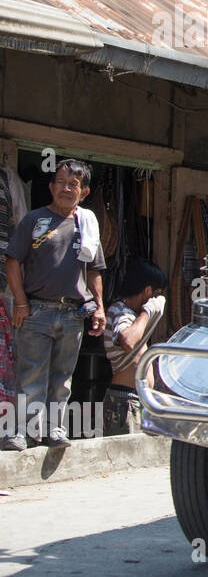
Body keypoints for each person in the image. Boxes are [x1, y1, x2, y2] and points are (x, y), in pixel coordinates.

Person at [2, 160, 106, 451]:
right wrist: (21, 303)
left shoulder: (87, 225)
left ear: (83, 192)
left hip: (72, 314)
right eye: (61, 182)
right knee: (31, 376)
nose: (66, 188)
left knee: (62, 379)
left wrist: (99, 307)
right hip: (36, 311)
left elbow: (95, 270)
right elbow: (12, 261)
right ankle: (22, 433)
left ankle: (54, 431)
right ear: (50, 187)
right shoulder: (34, 220)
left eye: (73, 184)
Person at [102, 260, 168, 393]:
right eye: (157, 293)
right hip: (124, 396)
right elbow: (128, 342)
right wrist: (148, 312)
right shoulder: (119, 310)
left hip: (139, 396)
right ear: (148, 291)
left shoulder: (134, 314)